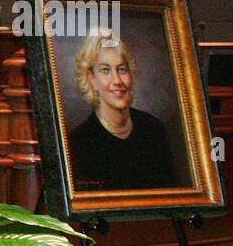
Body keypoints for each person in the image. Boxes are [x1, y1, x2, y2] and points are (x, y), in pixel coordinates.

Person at [66, 32, 179, 191]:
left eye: (122, 70)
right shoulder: (80, 142)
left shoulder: (152, 128)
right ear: (91, 78)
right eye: (106, 71)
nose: (117, 81)